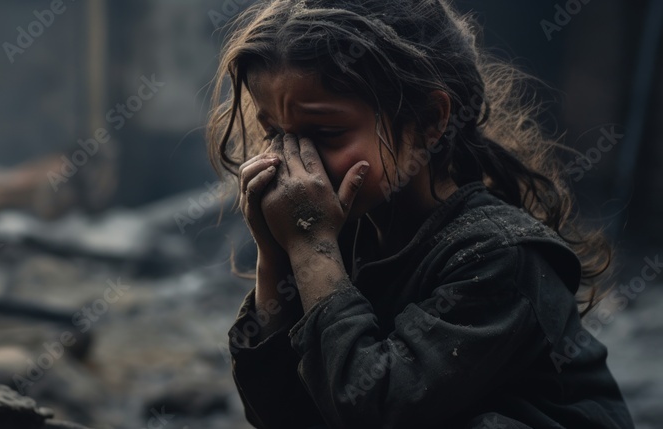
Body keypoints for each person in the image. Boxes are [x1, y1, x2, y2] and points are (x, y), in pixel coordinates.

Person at [206, 1, 635, 428]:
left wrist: (311, 246)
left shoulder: (501, 257)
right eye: (274, 134)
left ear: (430, 120)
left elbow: (374, 409)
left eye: (326, 133)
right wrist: (275, 255)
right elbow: (282, 418)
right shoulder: (342, 234)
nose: (294, 164)